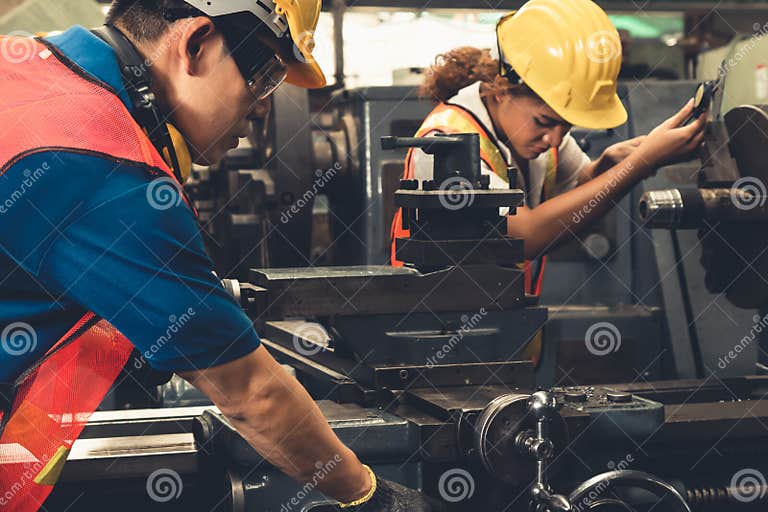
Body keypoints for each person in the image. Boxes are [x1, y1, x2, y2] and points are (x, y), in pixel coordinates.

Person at [0, 1, 441, 510]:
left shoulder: (33, 65)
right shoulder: (106, 169)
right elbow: (252, 394)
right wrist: (369, 494)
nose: (262, 109)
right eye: (267, 75)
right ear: (196, 43)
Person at [390, 0, 706, 363]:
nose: (555, 140)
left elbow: (579, 188)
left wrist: (614, 161)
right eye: (545, 122)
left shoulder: (533, 132)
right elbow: (527, 234)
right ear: (502, 89)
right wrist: (640, 164)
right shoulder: (444, 143)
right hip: (440, 346)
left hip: (503, 335)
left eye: (566, 126)